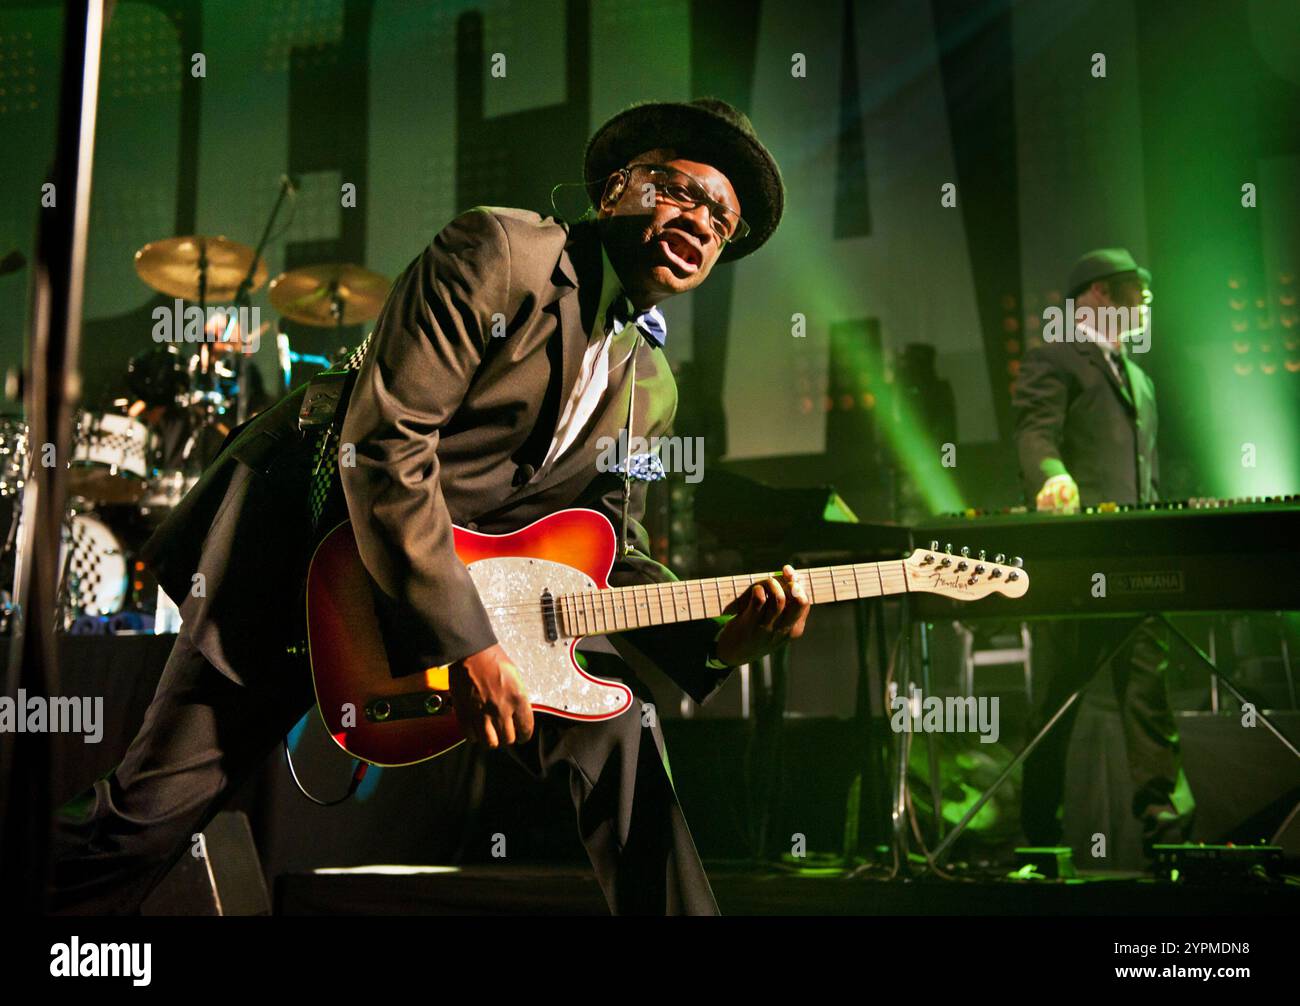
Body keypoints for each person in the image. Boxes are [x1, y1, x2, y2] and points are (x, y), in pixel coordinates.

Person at [50, 98, 811, 916]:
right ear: (616, 187)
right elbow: (384, 447)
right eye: (681, 189)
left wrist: (718, 639)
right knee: (147, 818)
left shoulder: (650, 385)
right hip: (303, 561)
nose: (702, 219)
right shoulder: (502, 252)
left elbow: (605, 547)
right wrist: (471, 643)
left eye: (723, 220)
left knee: (621, 734)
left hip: (467, 599)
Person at [1012, 248, 1194, 854]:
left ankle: (1164, 832)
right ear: (1095, 295)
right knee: (1059, 697)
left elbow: (1145, 472)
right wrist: (1050, 475)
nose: (1145, 300)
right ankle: (1038, 839)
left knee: (1149, 694)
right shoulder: (1054, 355)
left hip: (1136, 558)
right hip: (1077, 559)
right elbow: (1035, 428)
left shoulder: (1139, 379)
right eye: (1133, 289)